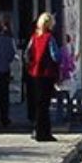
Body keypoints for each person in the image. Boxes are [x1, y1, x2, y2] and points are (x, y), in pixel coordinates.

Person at [25, 12, 61, 142]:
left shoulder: (34, 37)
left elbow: (27, 53)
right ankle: (44, 132)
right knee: (45, 104)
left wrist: (31, 64)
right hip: (46, 73)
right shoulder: (49, 37)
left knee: (37, 103)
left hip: (34, 73)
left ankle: (37, 130)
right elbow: (55, 56)